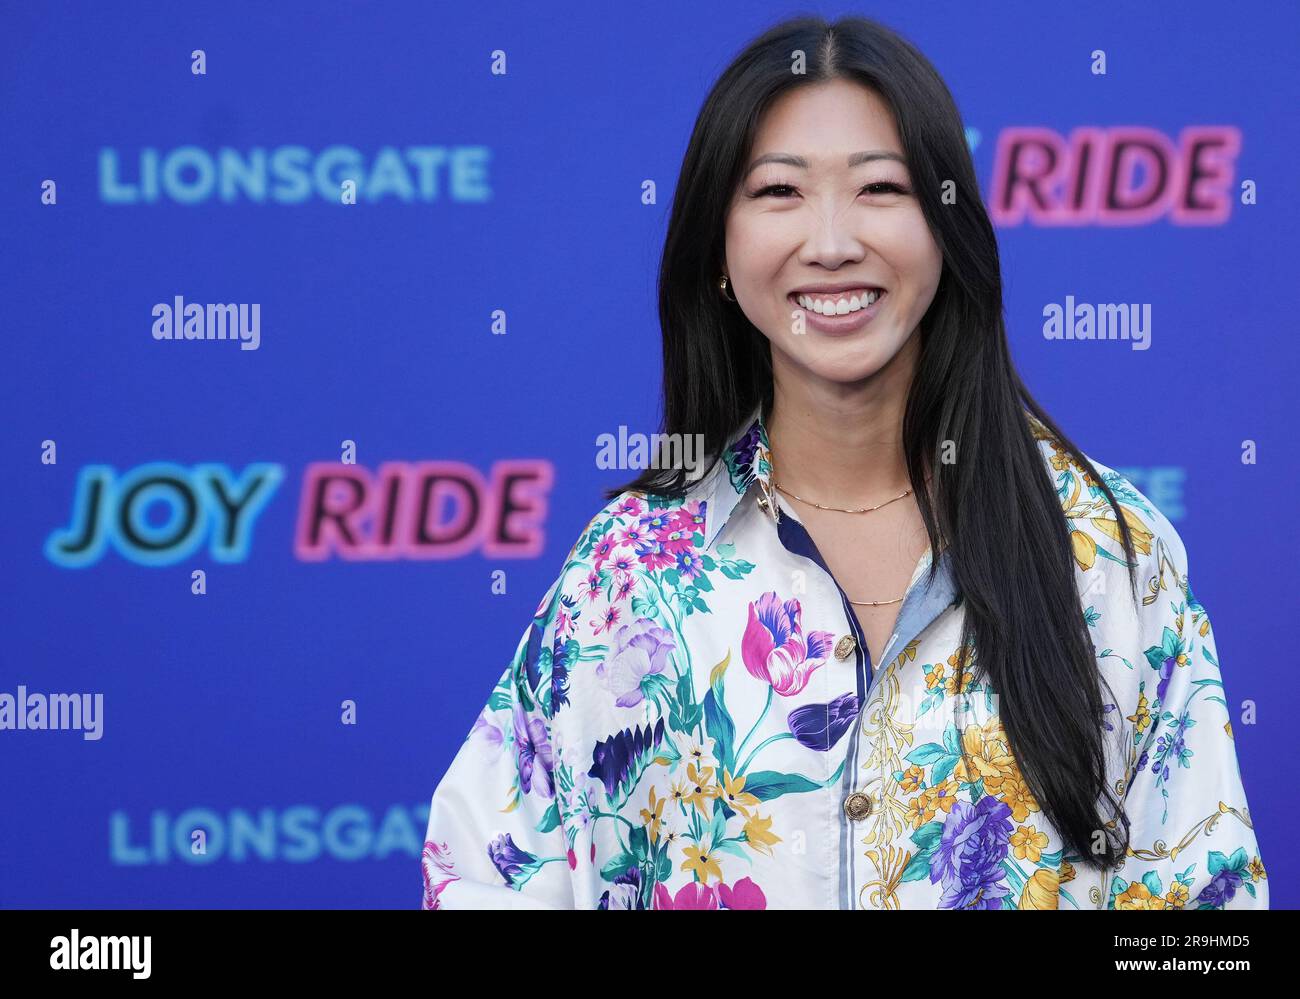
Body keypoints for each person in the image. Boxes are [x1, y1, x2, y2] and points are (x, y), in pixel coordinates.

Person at [420, 14, 1267, 910]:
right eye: (780, 191)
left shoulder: (1109, 553)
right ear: (718, 251)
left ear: (947, 230)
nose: (830, 242)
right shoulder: (625, 573)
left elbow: (1204, 918)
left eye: (881, 190)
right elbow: (486, 873)